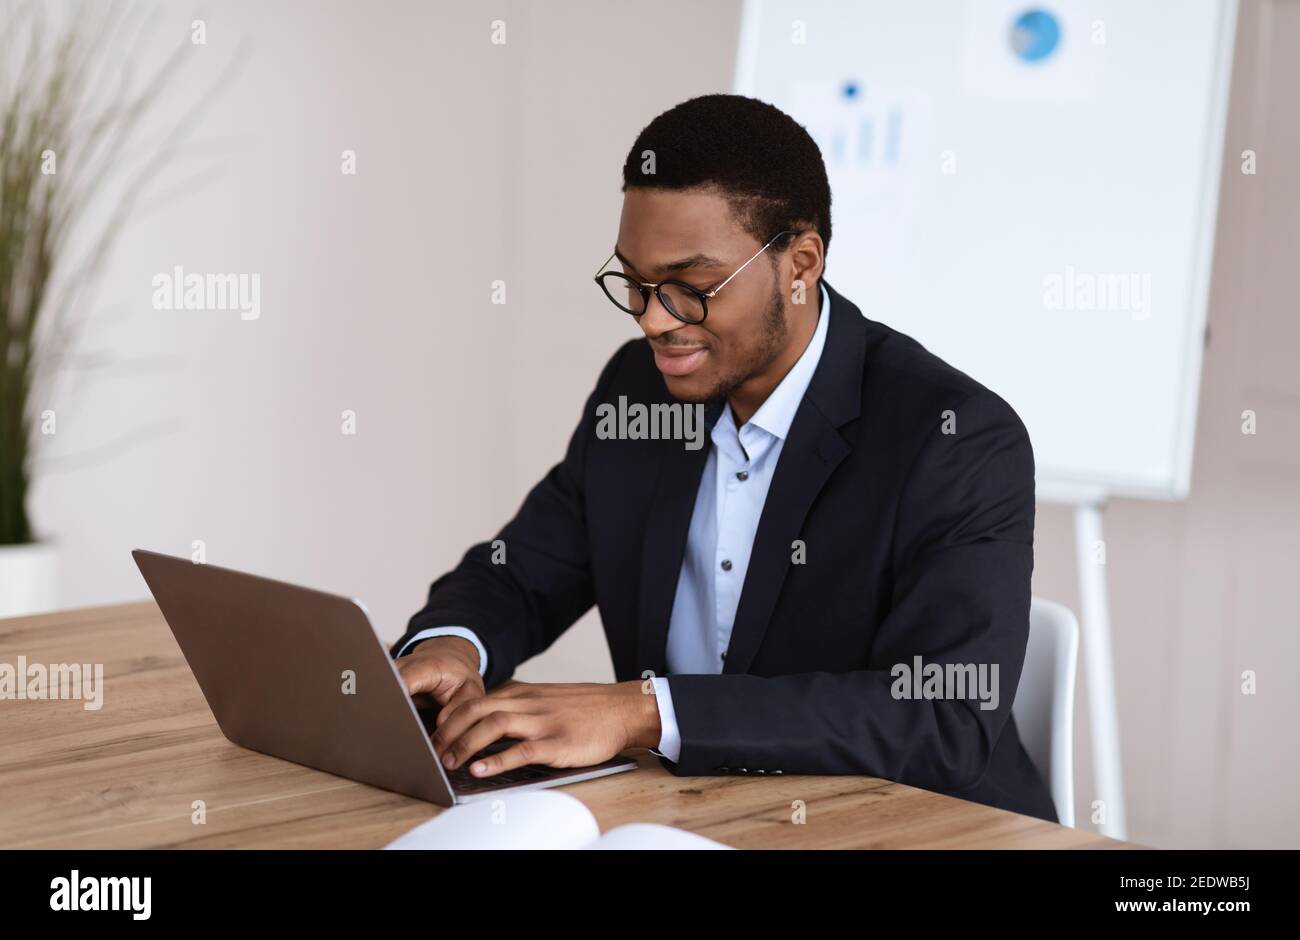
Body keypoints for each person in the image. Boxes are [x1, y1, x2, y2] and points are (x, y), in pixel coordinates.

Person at [391, 93, 1057, 823]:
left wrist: (644, 711)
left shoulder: (954, 437)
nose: (654, 319)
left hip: (916, 831)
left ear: (800, 264)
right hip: (695, 820)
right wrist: (453, 645)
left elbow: (941, 715)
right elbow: (522, 571)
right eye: (636, 284)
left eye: (691, 288)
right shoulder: (637, 392)